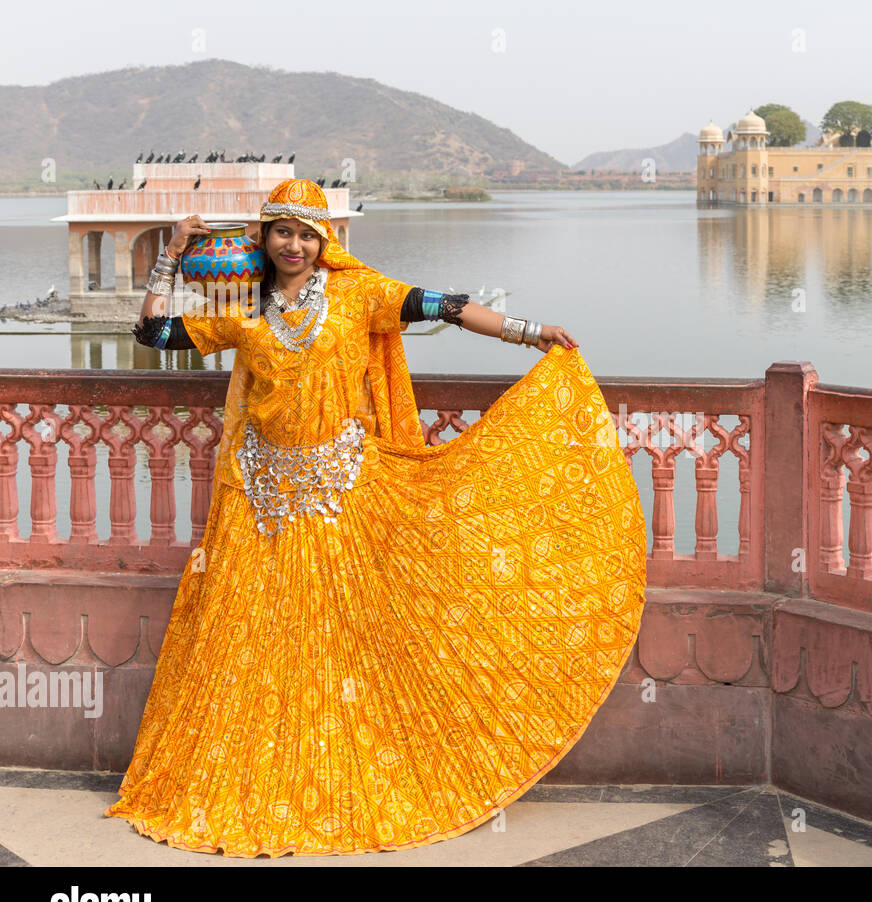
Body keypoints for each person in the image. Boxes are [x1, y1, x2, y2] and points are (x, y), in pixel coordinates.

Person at [106, 178, 647, 857]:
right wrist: (173, 250)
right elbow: (153, 333)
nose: (295, 244)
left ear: (323, 239)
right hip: (263, 505)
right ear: (265, 238)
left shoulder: (358, 295)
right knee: (255, 645)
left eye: (307, 233)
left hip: (344, 496)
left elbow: (443, 305)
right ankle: (260, 779)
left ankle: (364, 771)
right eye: (283, 231)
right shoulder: (242, 308)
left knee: (354, 640)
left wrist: (528, 332)